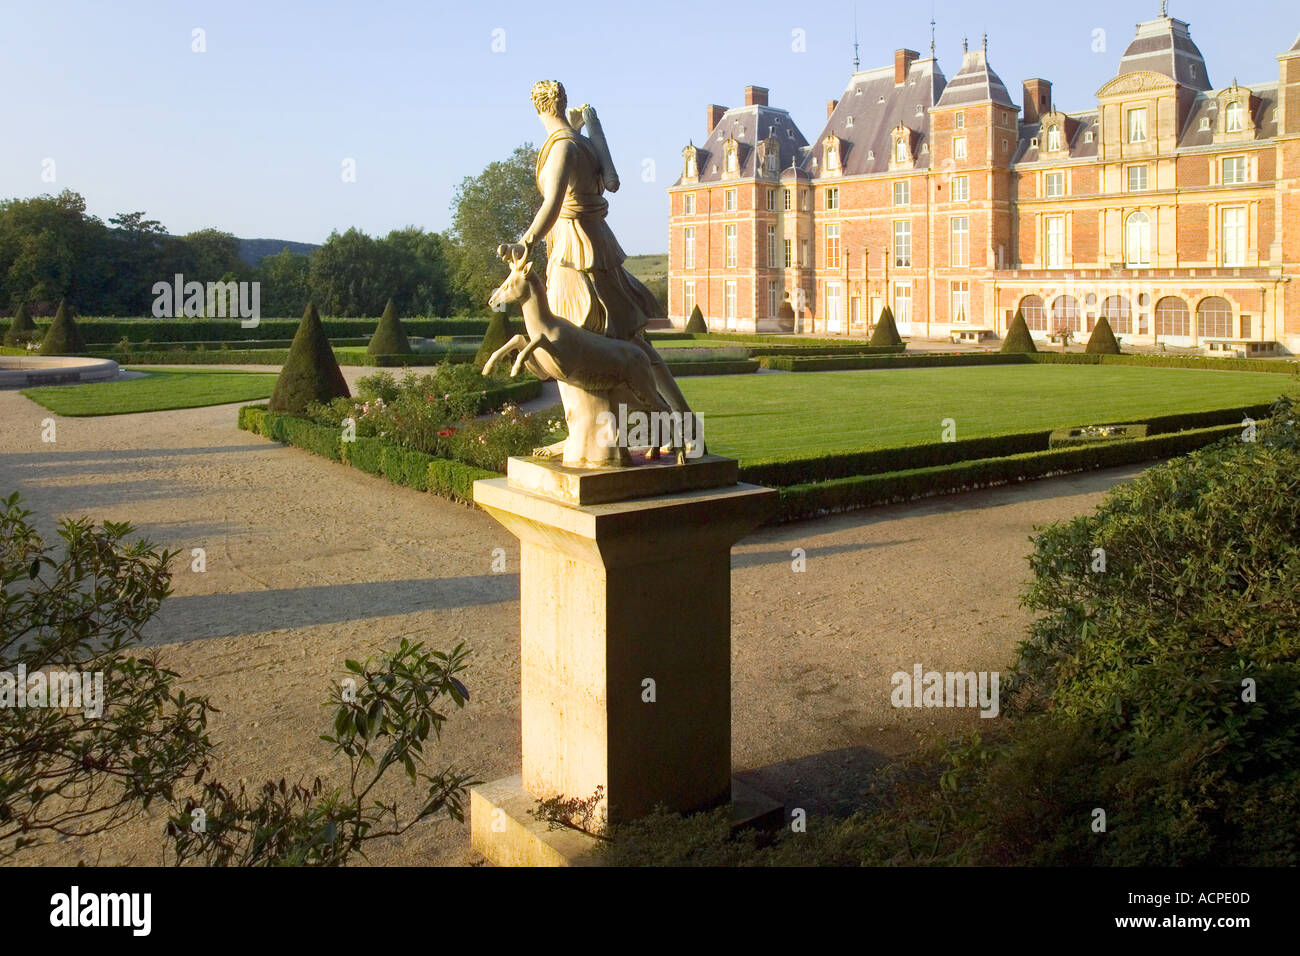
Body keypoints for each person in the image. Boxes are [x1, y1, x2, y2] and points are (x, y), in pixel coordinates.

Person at [498, 80, 695, 454]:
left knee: (570, 339)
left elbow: (553, 203)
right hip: (596, 242)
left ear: (537, 109)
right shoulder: (584, 142)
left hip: (574, 248)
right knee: (631, 344)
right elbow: (611, 182)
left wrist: (524, 242)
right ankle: (680, 428)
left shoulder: (562, 148)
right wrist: (582, 127)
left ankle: (595, 440)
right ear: (563, 103)